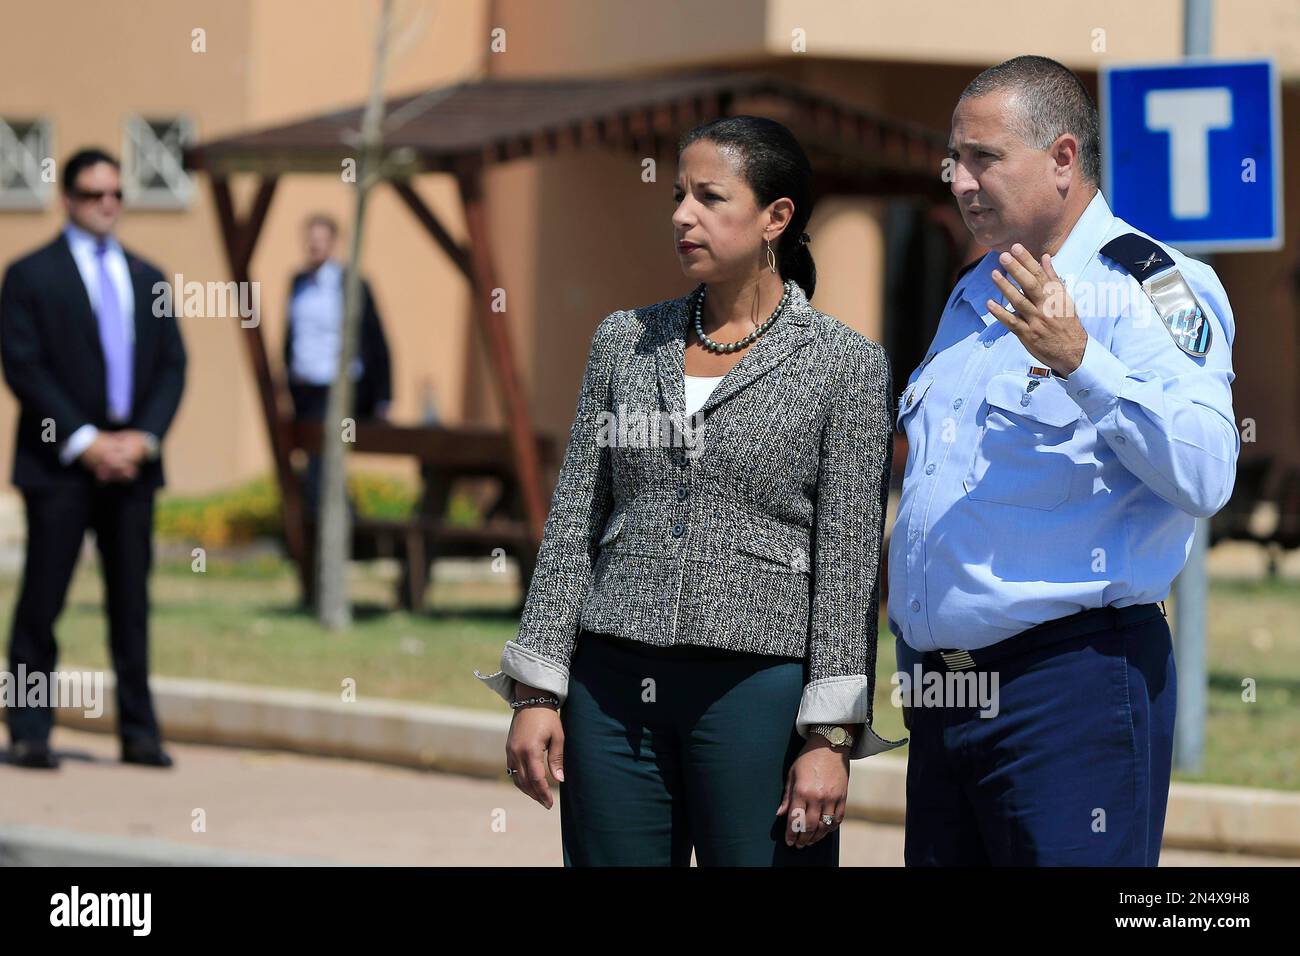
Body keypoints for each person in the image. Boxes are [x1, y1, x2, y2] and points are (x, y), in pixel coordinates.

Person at [474, 115, 902, 866]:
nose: (681, 214)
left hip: (757, 695)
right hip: (609, 688)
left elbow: (847, 565)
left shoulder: (846, 366)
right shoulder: (623, 342)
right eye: (678, 195)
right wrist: (538, 690)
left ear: (776, 217)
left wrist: (830, 737)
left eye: (709, 197)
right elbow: (575, 518)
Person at [891, 56, 1238, 865]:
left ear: (1063, 158)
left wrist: (1082, 361)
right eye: (955, 160)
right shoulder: (976, 287)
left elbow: (1207, 470)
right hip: (945, 697)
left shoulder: (1152, 286)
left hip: (1069, 690)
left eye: (984, 158)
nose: (962, 182)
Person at [1, 147, 186, 770]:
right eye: (92, 194)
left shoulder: (148, 277)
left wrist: (142, 439)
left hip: (133, 465)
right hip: (60, 464)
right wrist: (84, 441)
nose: (106, 204)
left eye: (115, 194)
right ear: (68, 199)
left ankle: (139, 732)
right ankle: (28, 731)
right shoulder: (30, 276)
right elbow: (24, 365)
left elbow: (172, 366)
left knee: (130, 603)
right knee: (42, 600)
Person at [283, 213, 392, 513]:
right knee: (313, 457)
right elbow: (291, 336)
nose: (314, 245)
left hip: (337, 385)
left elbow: (376, 339)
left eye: (320, 239)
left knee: (324, 458)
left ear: (333, 243)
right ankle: (336, 518)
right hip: (305, 388)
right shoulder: (298, 283)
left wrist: (383, 397)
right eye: (310, 239)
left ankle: (337, 520)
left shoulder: (350, 283)